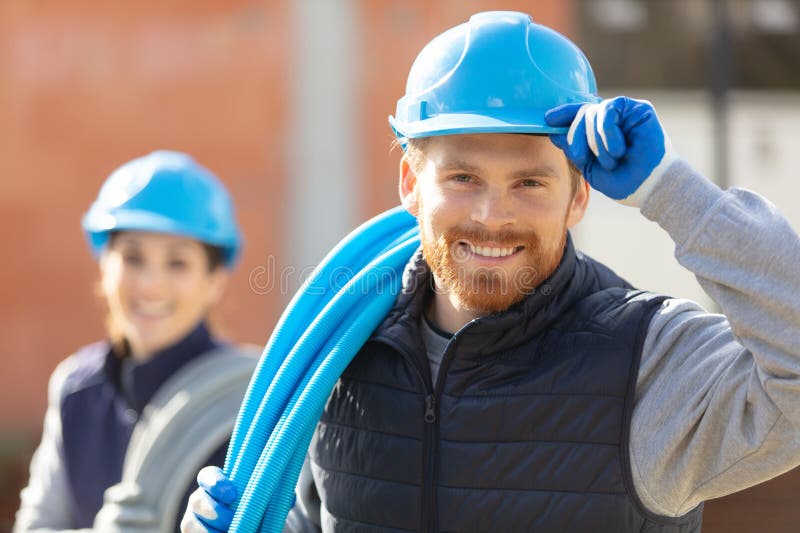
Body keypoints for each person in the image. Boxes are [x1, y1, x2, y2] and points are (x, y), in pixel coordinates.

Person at [183, 11, 800, 533]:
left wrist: (670, 191)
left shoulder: (648, 363)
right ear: (410, 184)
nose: (492, 216)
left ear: (579, 196)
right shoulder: (343, 344)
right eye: (463, 178)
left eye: (530, 182)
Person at [14, 150, 259, 533]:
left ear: (215, 281)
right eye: (132, 257)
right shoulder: (77, 388)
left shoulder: (252, 398)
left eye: (177, 263)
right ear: (103, 263)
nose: (150, 284)